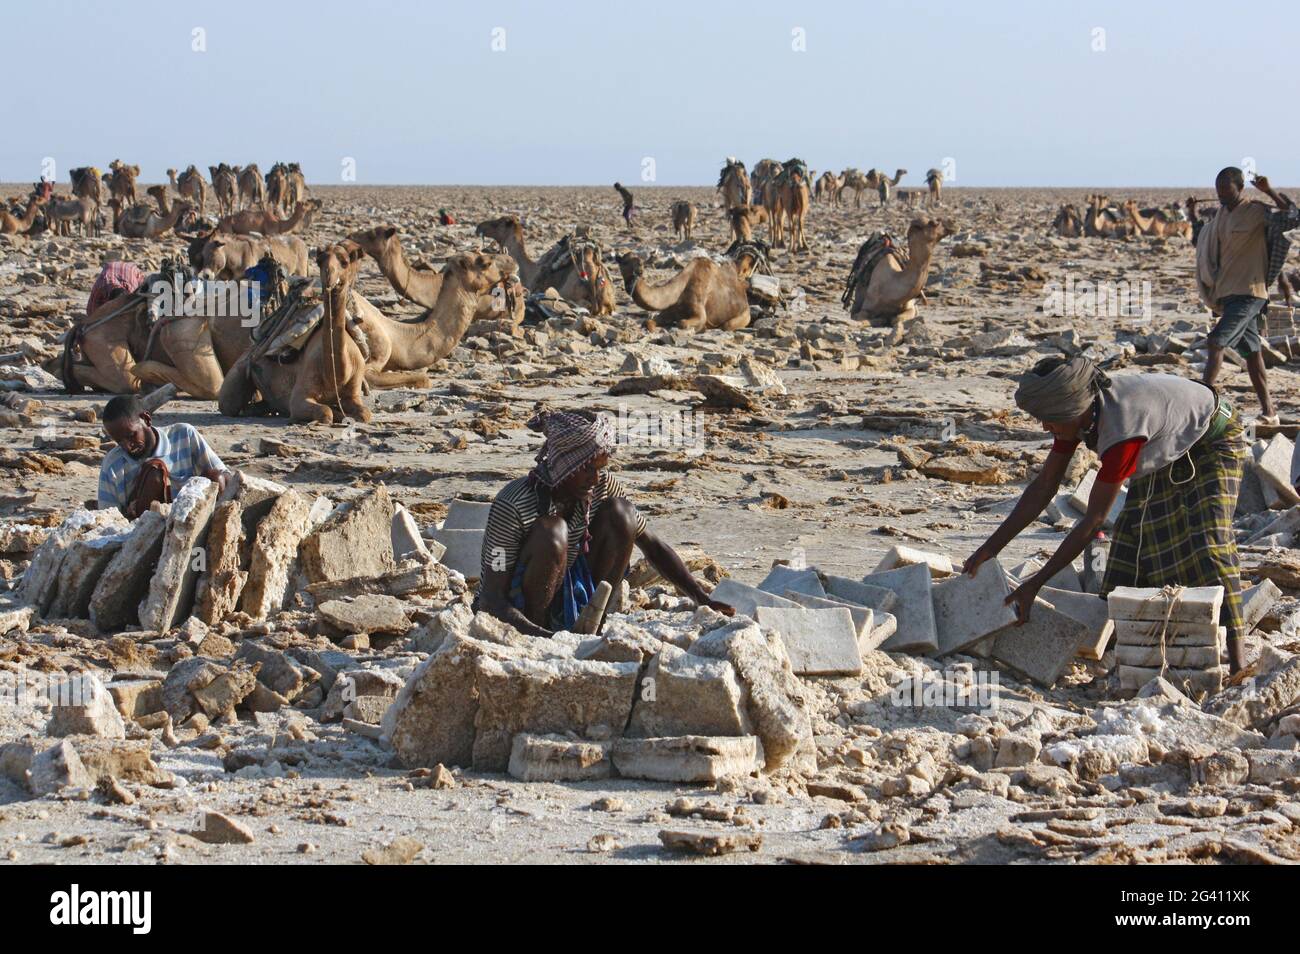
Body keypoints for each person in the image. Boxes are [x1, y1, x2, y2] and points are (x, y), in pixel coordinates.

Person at [964, 356, 1249, 672]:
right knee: (1135, 545)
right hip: (1162, 440)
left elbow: (1094, 519)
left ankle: (1238, 664)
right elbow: (1044, 487)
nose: (1045, 426)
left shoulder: (1120, 430)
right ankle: (1129, 658)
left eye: (1049, 419)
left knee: (1207, 544)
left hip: (1212, 437)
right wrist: (990, 549)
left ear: (1071, 410)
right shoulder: (1079, 412)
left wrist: (1035, 584)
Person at [475, 410, 733, 637]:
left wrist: (701, 597)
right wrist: (546, 639)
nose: (596, 478)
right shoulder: (514, 504)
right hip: (519, 608)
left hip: (570, 588)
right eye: (587, 469)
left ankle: (593, 620)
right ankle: (541, 629)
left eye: (601, 468)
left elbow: (652, 546)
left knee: (623, 514)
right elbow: (491, 599)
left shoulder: (602, 486)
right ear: (565, 464)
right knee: (553, 532)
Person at [1195, 170, 1299, 424]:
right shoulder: (1220, 215)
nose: (1221, 193)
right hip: (1227, 294)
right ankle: (1270, 413)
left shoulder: (1255, 210)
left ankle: (1200, 405)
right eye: (1218, 188)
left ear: (1240, 187)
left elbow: (1291, 219)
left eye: (1226, 188)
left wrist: (1269, 191)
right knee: (1253, 355)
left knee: (1216, 342)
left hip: (1250, 293)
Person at [98, 395, 230, 519]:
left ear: (146, 419)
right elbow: (107, 517)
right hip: (146, 528)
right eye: (120, 441)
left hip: (191, 517)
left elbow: (225, 475)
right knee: (154, 470)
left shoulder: (184, 435)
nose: (128, 446)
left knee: (215, 477)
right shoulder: (112, 464)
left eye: (131, 435)